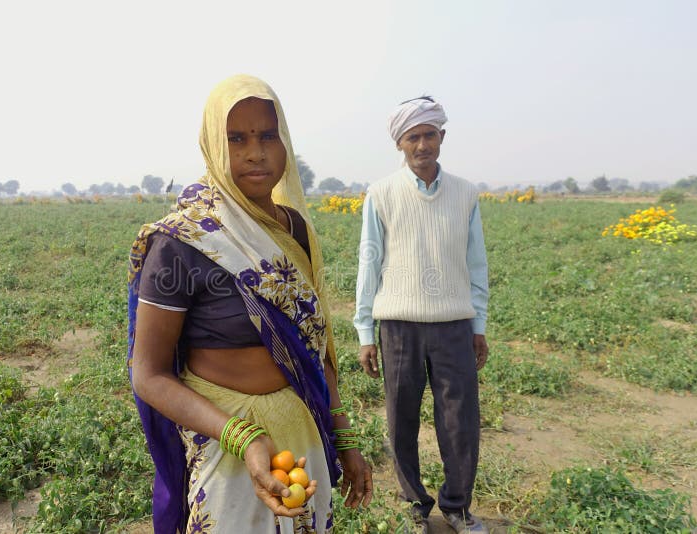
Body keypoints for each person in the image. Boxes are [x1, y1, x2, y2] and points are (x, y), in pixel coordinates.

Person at [127, 74, 373, 534]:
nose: (255, 152)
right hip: (227, 442)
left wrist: (343, 437)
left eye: (267, 136)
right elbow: (149, 374)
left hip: (301, 436)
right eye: (236, 138)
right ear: (213, 146)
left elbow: (314, 347)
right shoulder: (182, 241)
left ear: (285, 144)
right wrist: (246, 438)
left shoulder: (294, 230)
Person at [354, 96, 489, 534]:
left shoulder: (466, 194)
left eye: (430, 134)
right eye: (414, 136)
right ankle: (414, 502)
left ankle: (456, 506)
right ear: (400, 142)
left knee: (460, 421)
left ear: (442, 138)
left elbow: (477, 265)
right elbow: (368, 261)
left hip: (453, 324)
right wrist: (365, 331)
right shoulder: (381, 194)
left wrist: (478, 326)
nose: (423, 144)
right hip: (398, 326)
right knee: (401, 419)